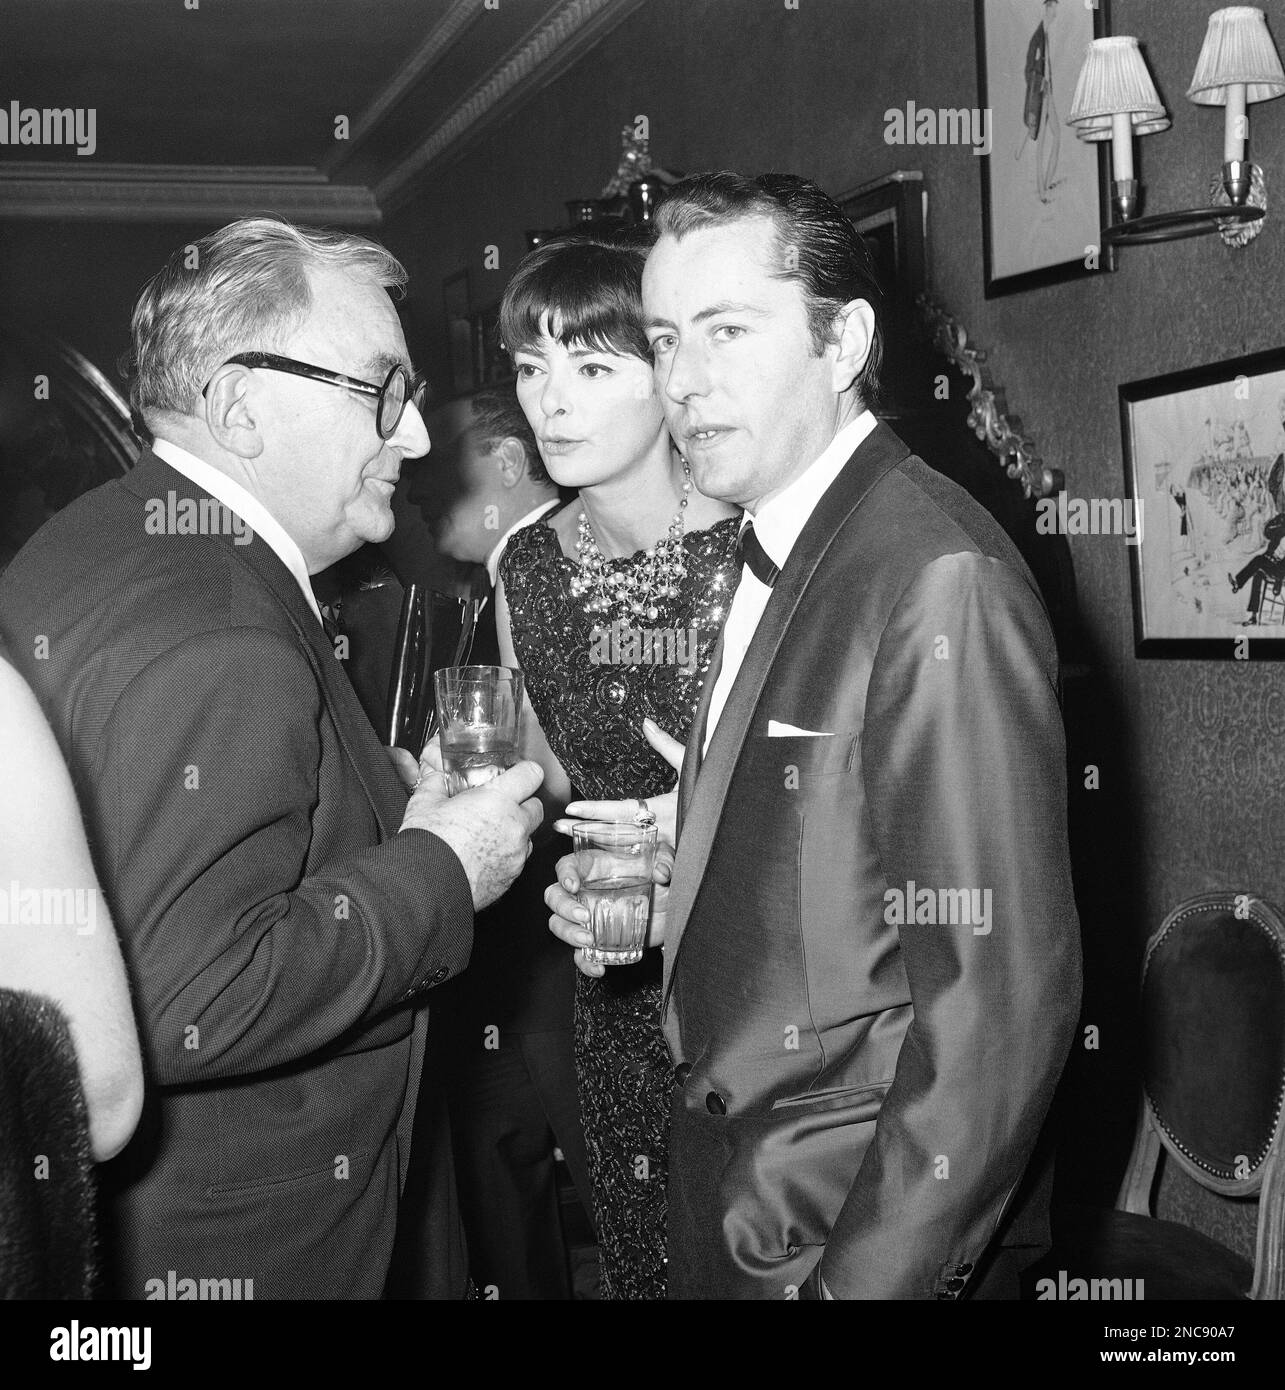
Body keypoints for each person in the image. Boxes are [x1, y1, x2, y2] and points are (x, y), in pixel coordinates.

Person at [548, 172, 1082, 1299]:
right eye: (662, 340)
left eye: (727, 332)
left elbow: (996, 1013)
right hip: (739, 1212)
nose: (682, 384)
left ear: (844, 343)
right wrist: (678, 888)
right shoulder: (786, 535)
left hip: (837, 1241)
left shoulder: (938, 576)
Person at [0, 218, 544, 1299]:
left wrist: (391, 812)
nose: (421, 439)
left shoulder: (100, 535)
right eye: (383, 391)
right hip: (240, 1244)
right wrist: (445, 865)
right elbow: (186, 995)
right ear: (244, 409)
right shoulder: (223, 625)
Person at [495, 235, 741, 1299]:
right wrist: (477, 789)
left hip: (754, 971)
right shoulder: (526, 562)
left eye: (591, 368)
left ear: (668, 377)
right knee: (647, 1256)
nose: (552, 403)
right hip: (613, 975)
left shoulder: (755, 543)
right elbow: (548, 775)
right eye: (530, 367)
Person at [402, 387, 594, 1299]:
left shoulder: (565, 564)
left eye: (449, 465)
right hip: (503, 951)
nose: (418, 483)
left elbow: (570, 775)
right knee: (497, 1181)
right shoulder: (491, 587)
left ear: (511, 466)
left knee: (611, 1180)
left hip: (577, 941)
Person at [1023, 0, 1061, 204]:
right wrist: (1040, 83)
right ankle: (1042, 191)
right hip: (1041, 95)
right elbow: (1028, 70)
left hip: (1049, 94)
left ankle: (1046, 183)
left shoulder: (1046, 36)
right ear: (1047, 8)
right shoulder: (1037, 38)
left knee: (1057, 136)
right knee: (1041, 144)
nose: (1056, 12)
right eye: (1054, 7)